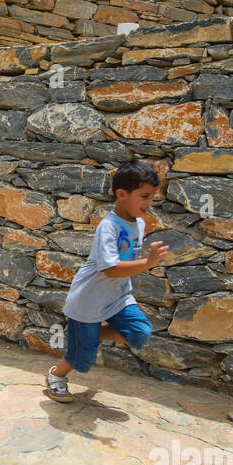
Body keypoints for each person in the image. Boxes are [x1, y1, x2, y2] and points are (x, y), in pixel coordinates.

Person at [44, 160, 169, 402]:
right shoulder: (108, 227)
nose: (150, 203)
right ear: (121, 194)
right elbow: (110, 269)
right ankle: (55, 375)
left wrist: (145, 261)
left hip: (118, 297)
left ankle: (92, 335)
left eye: (152, 197)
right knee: (83, 358)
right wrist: (148, 263)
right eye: (144, 196)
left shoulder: (139, 223)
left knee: (139, 332)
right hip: (89, 300)